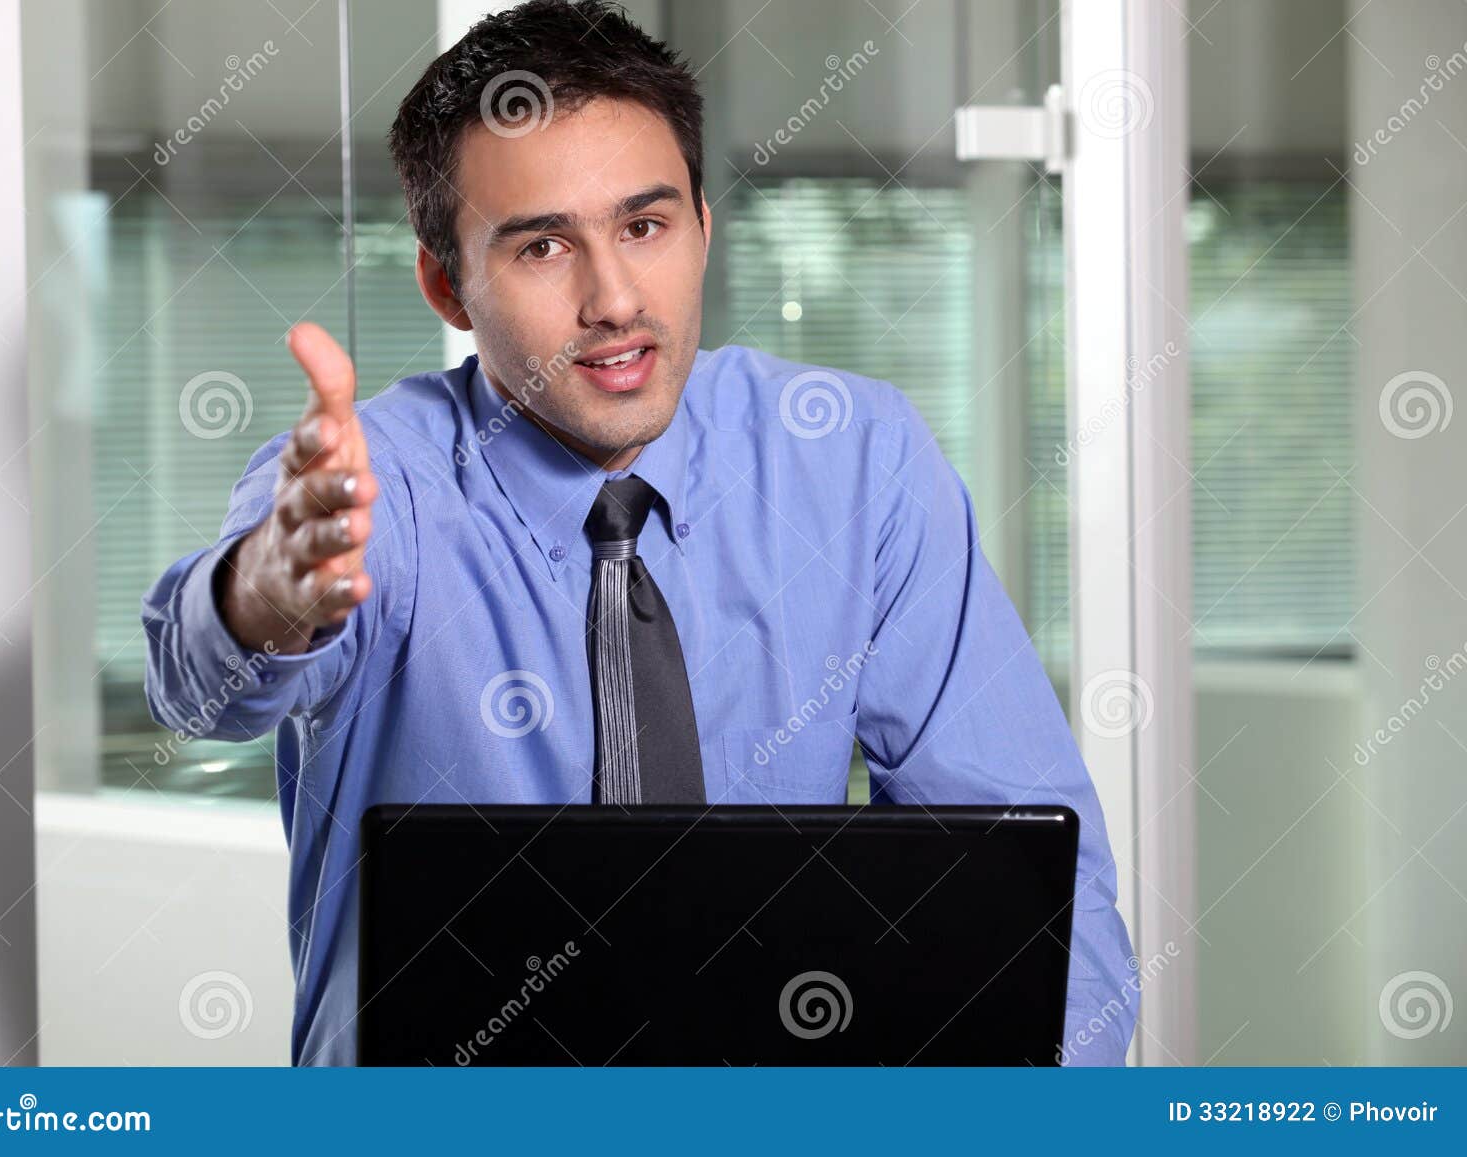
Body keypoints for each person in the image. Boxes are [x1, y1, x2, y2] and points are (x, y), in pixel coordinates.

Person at [141, 0, 1137, 1066]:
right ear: (447, 284)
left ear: (704, 226)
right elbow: (204, 685)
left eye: (645, 227)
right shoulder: (377, 483)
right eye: (541, 247)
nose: (613, 298)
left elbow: (1027, 877)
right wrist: (268, 600)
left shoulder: (853, 460)